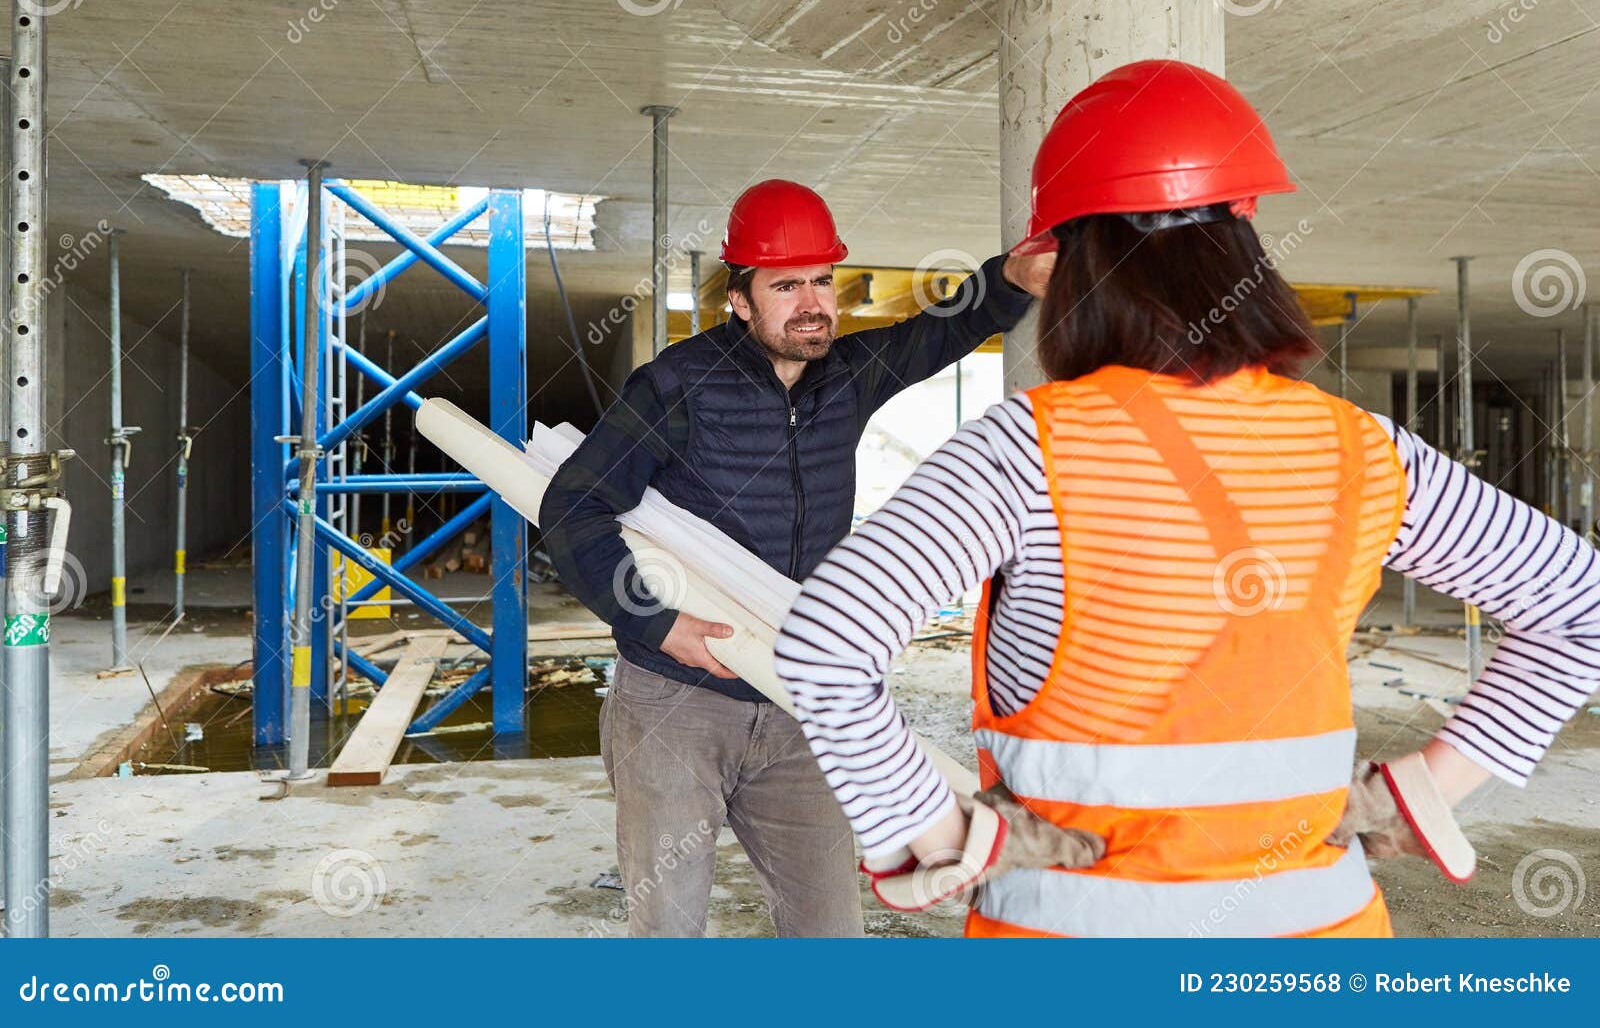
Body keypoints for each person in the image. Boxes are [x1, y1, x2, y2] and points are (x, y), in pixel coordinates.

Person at [774, 60, 1600, 937]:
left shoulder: (1028, 450)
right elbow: (1578, 603)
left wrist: (938, 834)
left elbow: (826, 647)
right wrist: (1426, 788)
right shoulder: (1364, 448)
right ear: (1245, 234)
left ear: (1069, 259)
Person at [539, 178, 1043, 936]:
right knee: (669, 928)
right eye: (785, 285)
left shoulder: (844, 376)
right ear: (740, 299)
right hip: (677, 702)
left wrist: (1010, 277)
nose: (812, 303)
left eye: (821, 280)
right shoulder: (678, 386)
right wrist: (657, 623)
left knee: (829, 929)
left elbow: (937, 332)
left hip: (797, 698)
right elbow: (574, 508)